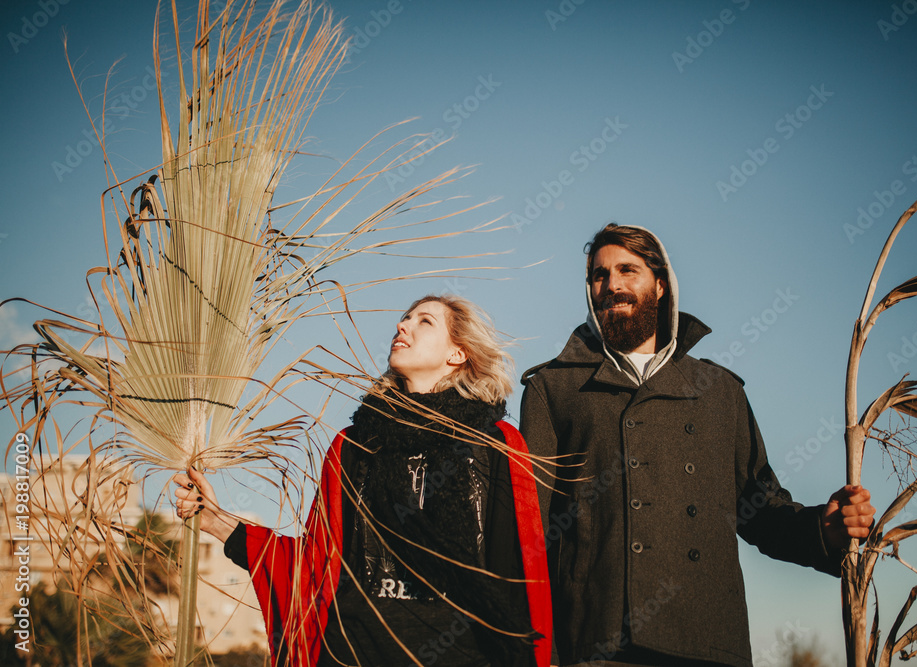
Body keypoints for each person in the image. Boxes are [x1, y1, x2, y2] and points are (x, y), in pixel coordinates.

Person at [519, 223, 875, 667]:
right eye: (599, 275)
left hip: (709, 643)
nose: (612, 284)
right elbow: (528, 534)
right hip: (597, 640)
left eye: (628, 270)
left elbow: (760, 509)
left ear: (662, 284)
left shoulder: (718, 389)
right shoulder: (554, 389)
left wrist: (823, 529)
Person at [175, 295, 552, 666]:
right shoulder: (355, 444)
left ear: (458, 354)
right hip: (353, 651)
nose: (402, 325)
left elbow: (520, 572)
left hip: (465, 654)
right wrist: (215, 520)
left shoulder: (497, 443)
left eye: (424, 321)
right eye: (404, 318)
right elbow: (315, 563)